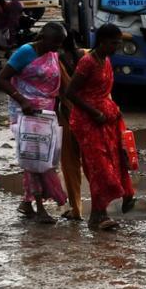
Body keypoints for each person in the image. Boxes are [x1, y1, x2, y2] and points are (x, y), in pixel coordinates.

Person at [64, 24, 136, 231]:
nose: (117, 47)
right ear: (102, 41)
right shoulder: (87, 62)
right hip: (88, 122)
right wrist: (94, 112)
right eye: (114, 43)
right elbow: (71, 93)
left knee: (114, 161)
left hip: (106, 119)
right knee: (99, 168)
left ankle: (98, 215)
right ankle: (98, 215)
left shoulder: (106, 60)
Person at [0, 21, 69, 221]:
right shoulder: (25, 52)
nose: (58, 47)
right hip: (26, 113)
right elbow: (1, 79)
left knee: (47, 158)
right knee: (34, 161)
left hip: (47, 113)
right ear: (43, 38)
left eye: (60, 43)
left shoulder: (53, 54)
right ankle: (42, 206)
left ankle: (27, 202)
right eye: (55, 42)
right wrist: (22, 100)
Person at [55, 28, 86, 221]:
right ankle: (101, 208)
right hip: (91, 115)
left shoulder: (54, 60)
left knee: (70, 164)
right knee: (92, 163)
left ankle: (77, 208)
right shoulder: (87, 57)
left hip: (67, 116)